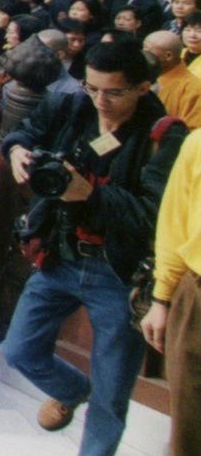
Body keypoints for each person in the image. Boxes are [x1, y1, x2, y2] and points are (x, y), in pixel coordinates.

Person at [0, 37, 187, 456]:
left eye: (114, 92)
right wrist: (16, 150)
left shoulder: (164, 135)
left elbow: (154, 215)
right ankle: (70, 389)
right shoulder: (73, 106)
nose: (101, 99)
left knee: (111, 392)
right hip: (59, 255)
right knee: (18, 351)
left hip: (119, 273)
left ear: (143, 88)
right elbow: (22, 131)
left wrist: (90, 195)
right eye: (93, 87)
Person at [140, 128, 201, 456]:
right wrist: (161, 299)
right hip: (197, 298)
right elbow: (174, 224)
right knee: (190, 431)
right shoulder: (197, 144)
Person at [143, 29, 201, 129]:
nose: (144, 54)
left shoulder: (194, 88)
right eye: (143, 49)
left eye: (148, 51)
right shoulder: (139, 77)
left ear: (168, 56)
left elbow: (193, 132)